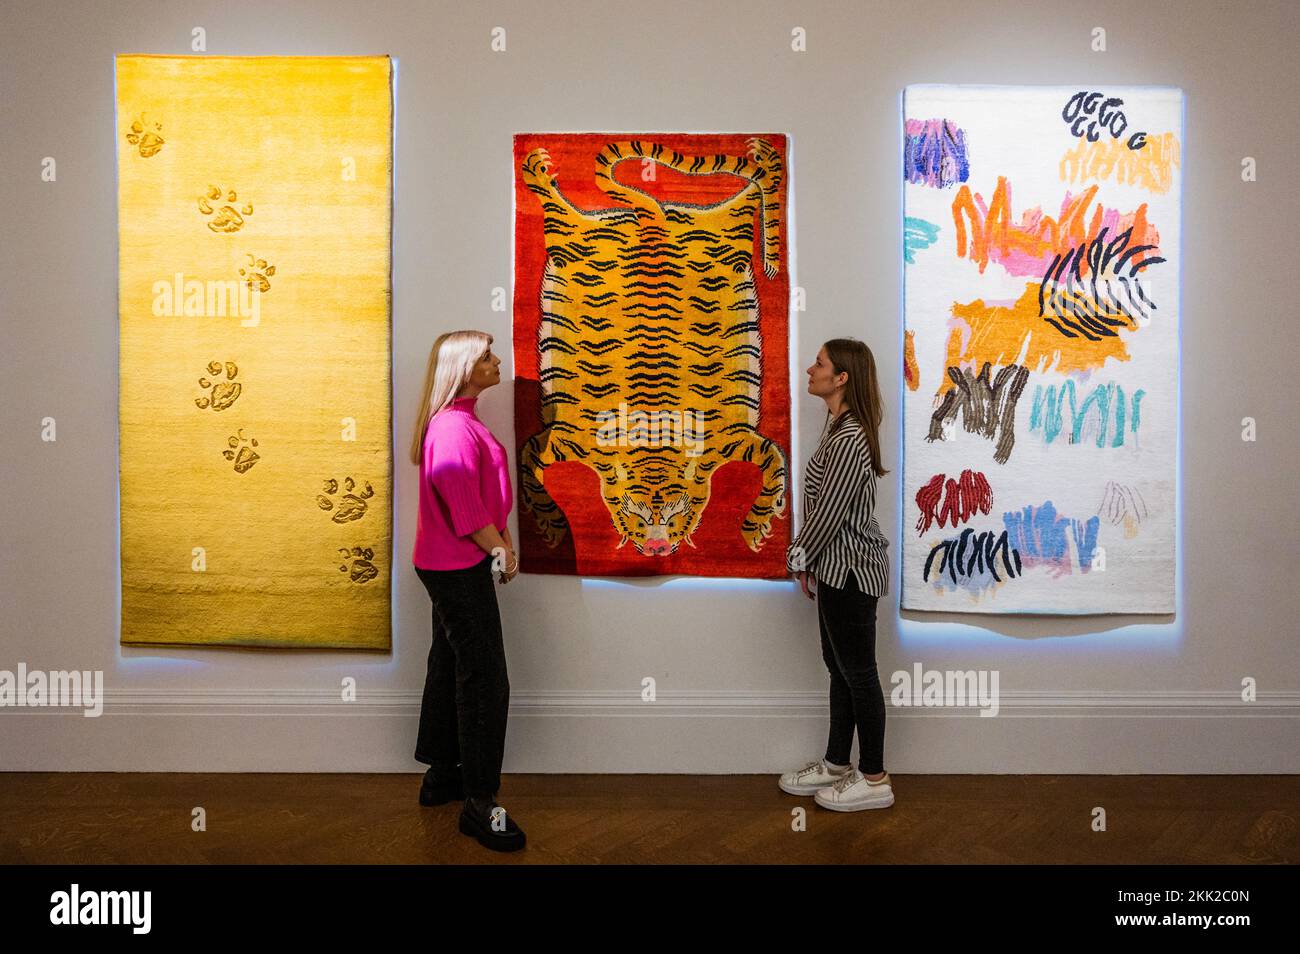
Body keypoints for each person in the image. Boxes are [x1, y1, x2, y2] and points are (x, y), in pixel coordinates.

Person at [409, 329, 525, 851]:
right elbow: (464, 509)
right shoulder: (453, 428)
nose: (497, 361)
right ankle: (480, 804)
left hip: (452, 563)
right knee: (486, 680)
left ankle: (442, 777)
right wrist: (499, 545)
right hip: (457, 566)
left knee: (452, 664)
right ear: (463, 368)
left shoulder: (461, 420)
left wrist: (496, 542)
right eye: (486, 356)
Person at [779, 338, 895, 811]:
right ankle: (835, 764)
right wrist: (811, 563)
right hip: (833, 567)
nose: (811, 369)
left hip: (851, 571)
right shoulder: (838, 428)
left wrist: (797, 557)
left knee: (860, 673)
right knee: (840, 670)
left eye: (820, 363)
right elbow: (826, 513)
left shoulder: (850, 438)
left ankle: (874, 778)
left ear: (842, 377)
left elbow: (829, 513)